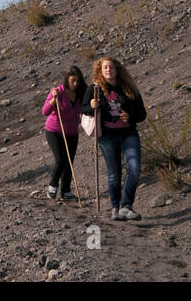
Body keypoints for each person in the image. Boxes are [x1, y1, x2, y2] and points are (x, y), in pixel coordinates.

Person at [82, 56, 147, 221]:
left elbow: (142, 113)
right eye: (105, 68)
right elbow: (83, 109)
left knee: (134, 168)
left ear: (117, 70)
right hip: (107, 136)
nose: (108, 70)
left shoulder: (129, 88)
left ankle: (126, 205)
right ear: (100, 71)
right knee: (114, 173)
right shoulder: (95, 89)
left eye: (111, 67)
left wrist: (130, 116)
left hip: (128, 133)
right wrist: (91, 106)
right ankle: (115, 208)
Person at [43, 65, 85, 200]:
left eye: (77, 81)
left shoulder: (80, 93)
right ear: (67, 80)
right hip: (54, 131)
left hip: (72, 132)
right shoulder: (57, 92)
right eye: (73, 80)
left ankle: (66, 191)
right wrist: (53, 100)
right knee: (61, 159)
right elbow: (45, 112)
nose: (75, 84)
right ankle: (52, 186)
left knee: (69, 162)